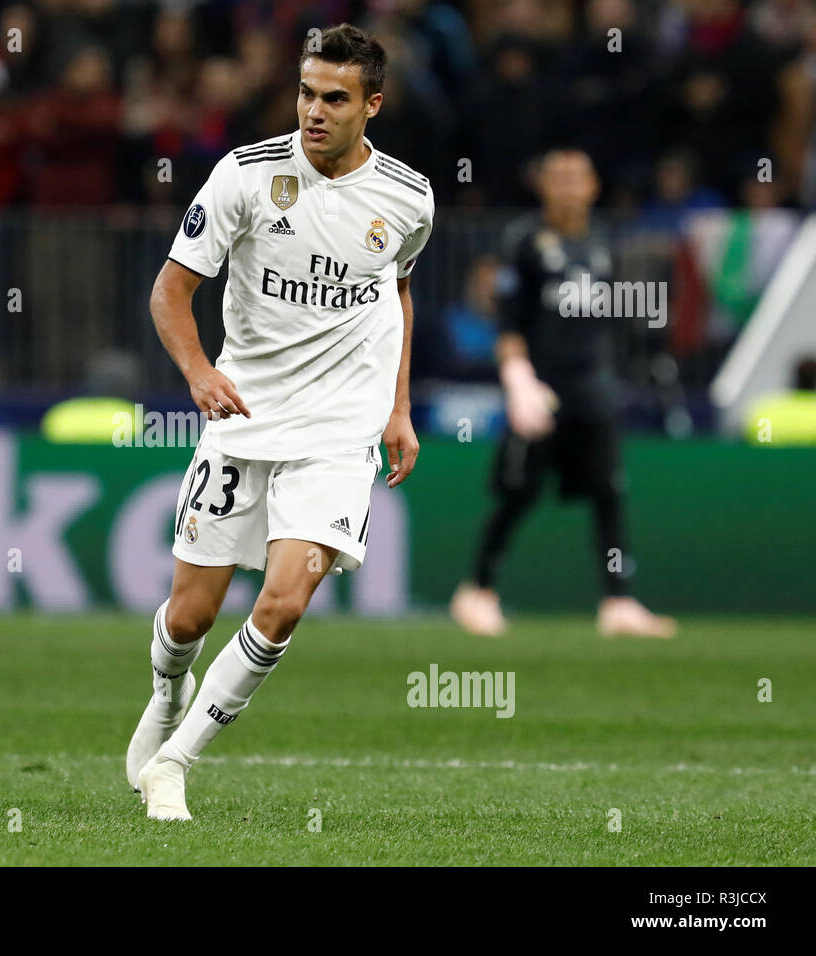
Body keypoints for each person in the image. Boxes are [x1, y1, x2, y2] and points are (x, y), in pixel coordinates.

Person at [127, 24, 434, 821]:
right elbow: (169, 292)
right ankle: (167, 691)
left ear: (373, 103)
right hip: (245, 416)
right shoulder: (245, 176)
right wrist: (200, 372)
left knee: (284, 604)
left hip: (340, 429)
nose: (314, 112)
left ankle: (174, 763)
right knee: (190, 616)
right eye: (306, 93)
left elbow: (395, 293)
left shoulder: (408, 198)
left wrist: (397, 408)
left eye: (335, 98)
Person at [450, 149, 676, 639]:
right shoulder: (525, 243)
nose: (571, 187)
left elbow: (606, 324)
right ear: (544, 186)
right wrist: (519, 381)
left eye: (579, 178)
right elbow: (508, 321)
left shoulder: (601, 244)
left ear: (594, 186)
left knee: (609, 494)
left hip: (593, 391)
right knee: (518, 494)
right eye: (560, 178)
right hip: (541, 392)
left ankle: (619, 602)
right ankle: (477, 590)